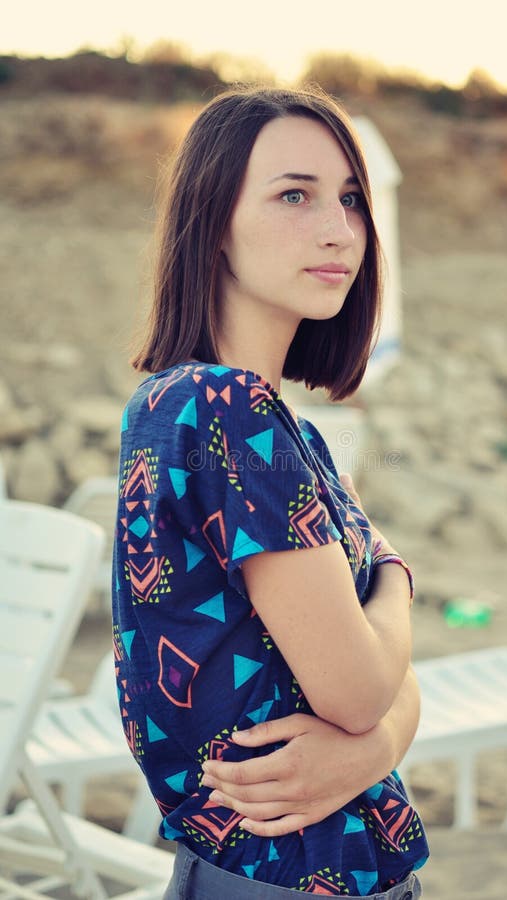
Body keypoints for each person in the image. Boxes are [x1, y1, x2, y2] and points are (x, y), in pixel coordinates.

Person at [113, 85, 429, 898]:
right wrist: (396, 577)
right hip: (294, 875)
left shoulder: (187, 408)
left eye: (351, 199)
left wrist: (373, 746)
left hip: (247, 867)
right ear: (214, 224)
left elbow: (386, 688)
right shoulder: (226, 410)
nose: (340, 229)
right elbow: (362, 686)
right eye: (295, 194)